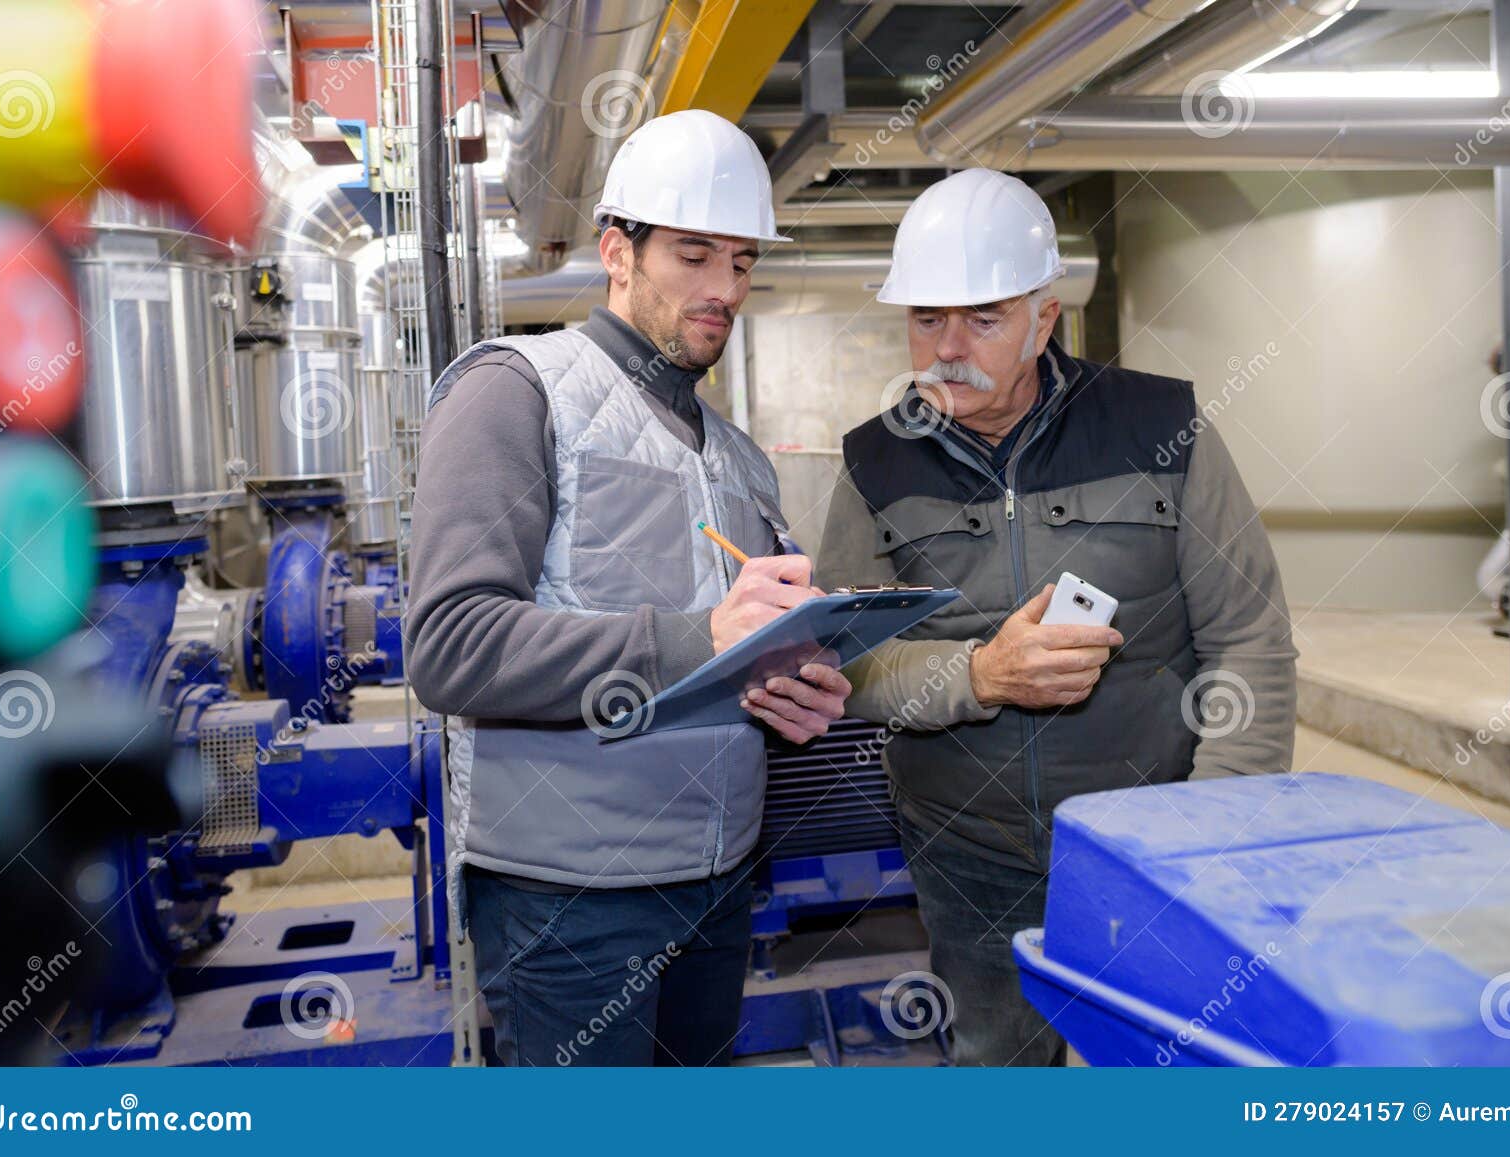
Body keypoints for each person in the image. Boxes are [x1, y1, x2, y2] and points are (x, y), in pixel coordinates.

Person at [816, 168, 1297, 1066]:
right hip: (971, 850)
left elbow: (1250, 638)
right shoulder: (874, 466)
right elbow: (847, 663)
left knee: (1171, 1065)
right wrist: (979, 675)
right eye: (926, 317)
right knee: (999, 1068)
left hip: (1153, 842)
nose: (947, 347)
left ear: (1043, 321)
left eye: (983, 318)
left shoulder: (1161, 428)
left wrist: (1216, 822)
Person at [405, 109, 851, 1067]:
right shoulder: (517, 391)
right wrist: (702, 638)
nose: (724, 288)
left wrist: (796, 681)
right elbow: (450, 644)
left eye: (742, 262)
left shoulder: (738, 457)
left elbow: (743, 643)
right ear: (617, 251)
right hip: (570, 901)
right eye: (694, 254)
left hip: (719, 879)